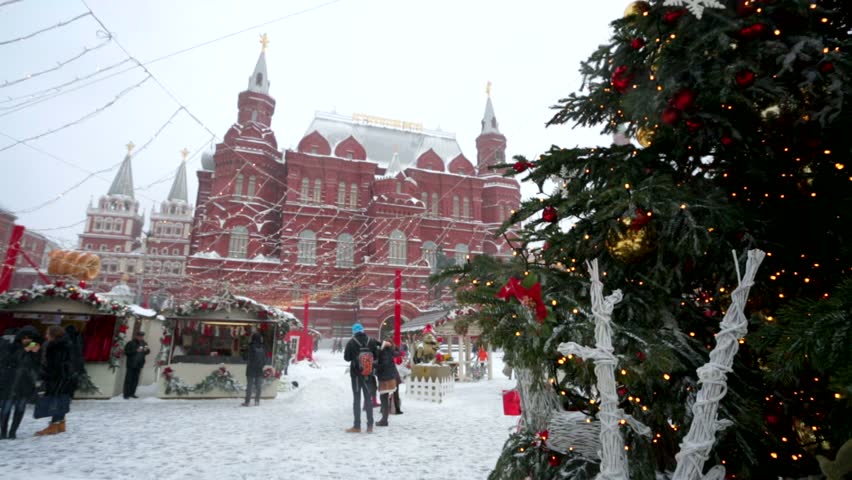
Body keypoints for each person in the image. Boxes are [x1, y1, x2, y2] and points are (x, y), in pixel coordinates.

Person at [1, 326, 42, 439]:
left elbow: (37, 365)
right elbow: (8, 361)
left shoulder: (34, 346)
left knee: (20, 407)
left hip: (25, 382)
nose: (27, 340)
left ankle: (13, 431)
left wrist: (36, 353)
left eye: (30, 338)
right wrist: (24, 350)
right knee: (6, 408)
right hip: (10, 381)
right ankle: (3, 432)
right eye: (25, 337)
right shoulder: (10, 345)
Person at [35, 325, 74, 436]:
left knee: (56, 400)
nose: (45, 335)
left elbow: (55, 365)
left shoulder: (56, 346)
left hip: (57, 377)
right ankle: (61, 424)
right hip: (65, 377)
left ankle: (53, 426)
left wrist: (45, 373)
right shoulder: (66, 343)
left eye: (47, 333)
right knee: (61, 400)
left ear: (53, 334)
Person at [343, 323, 378, 433]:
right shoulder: (371, 341)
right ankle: (370, 426)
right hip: (368, 374)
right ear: (363, 330)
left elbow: (346, 358)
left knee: (357, 400)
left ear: (353, 331)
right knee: (368, 399)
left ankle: (357, 426)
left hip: (356, 375)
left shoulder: (351, 342)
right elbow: (376, 356)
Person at [375, 337, 399, 427]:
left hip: (385, 378)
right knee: (384, 399)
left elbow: (384, 365)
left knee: (384, 399)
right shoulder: (389, 350)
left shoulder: (384, 351)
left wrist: (374, 365)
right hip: (389, 376)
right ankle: (384, 419)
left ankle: (384, 420)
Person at [123, 331, 150, 399]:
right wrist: (136, 350)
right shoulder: (131, 343)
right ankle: (126, 394)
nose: (141, 337)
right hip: (131, 363)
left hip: (139, 364)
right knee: (128, 379)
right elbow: (126, 352)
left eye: (142, 336)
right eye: (139, 336)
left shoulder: (144, 343)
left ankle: (132, 393)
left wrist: (146, 350)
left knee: (135, 379)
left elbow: (147, 352)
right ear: (136, 336)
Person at [242, 332, 265, 407]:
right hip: (259, 369)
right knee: (258, 386)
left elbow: (245, 357)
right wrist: (261, 365)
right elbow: (265, 359)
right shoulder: (262, 347)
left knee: (250, 386)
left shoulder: (250, 346)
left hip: (251, 368)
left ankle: (247, 402)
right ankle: (257, 401)